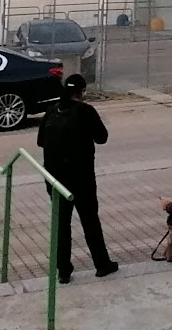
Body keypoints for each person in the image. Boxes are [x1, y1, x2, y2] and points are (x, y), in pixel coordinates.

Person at [38, 73, 118, 282]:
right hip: (81, 178)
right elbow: (102, 138)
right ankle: (102, 264)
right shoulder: (86, 111)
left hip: (55, 179)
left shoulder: (52, 110)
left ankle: (63, 270)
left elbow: (40, 142)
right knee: (90, 220)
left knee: (61, 224)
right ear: (82, 92)